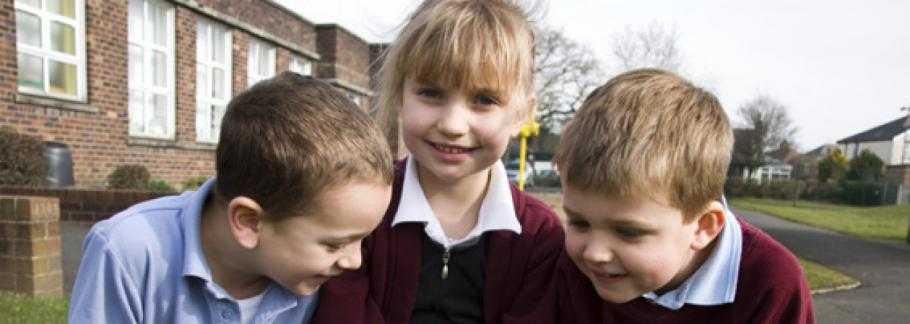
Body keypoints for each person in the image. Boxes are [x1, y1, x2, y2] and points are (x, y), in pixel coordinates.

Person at [67, 73, 394, 324]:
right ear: (250, 222)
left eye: (361, 240)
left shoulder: (309, 276)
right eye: (335, 244)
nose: (354, 261)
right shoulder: (128, 251)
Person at [312, 1, 564, 323]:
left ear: (522, 115)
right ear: (400, 97)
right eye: (431, 93)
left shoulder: (539, 235)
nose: (452, 125)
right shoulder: (358, 207)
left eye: (484, 100)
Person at [551, 68, 815, 323]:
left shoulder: (770, 283)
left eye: (628, 232)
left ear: (703, 226)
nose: (595, 253)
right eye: (579, 223)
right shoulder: (575, 268)